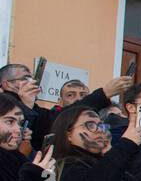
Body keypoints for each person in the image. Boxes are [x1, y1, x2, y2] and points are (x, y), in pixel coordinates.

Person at [1, 63, 129, 148]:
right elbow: (56, 122)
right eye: (26, 78)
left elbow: (50, 120)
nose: (32, 82)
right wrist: (104, 93)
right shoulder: (5, 103)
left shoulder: (31, 106)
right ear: (7, 84)